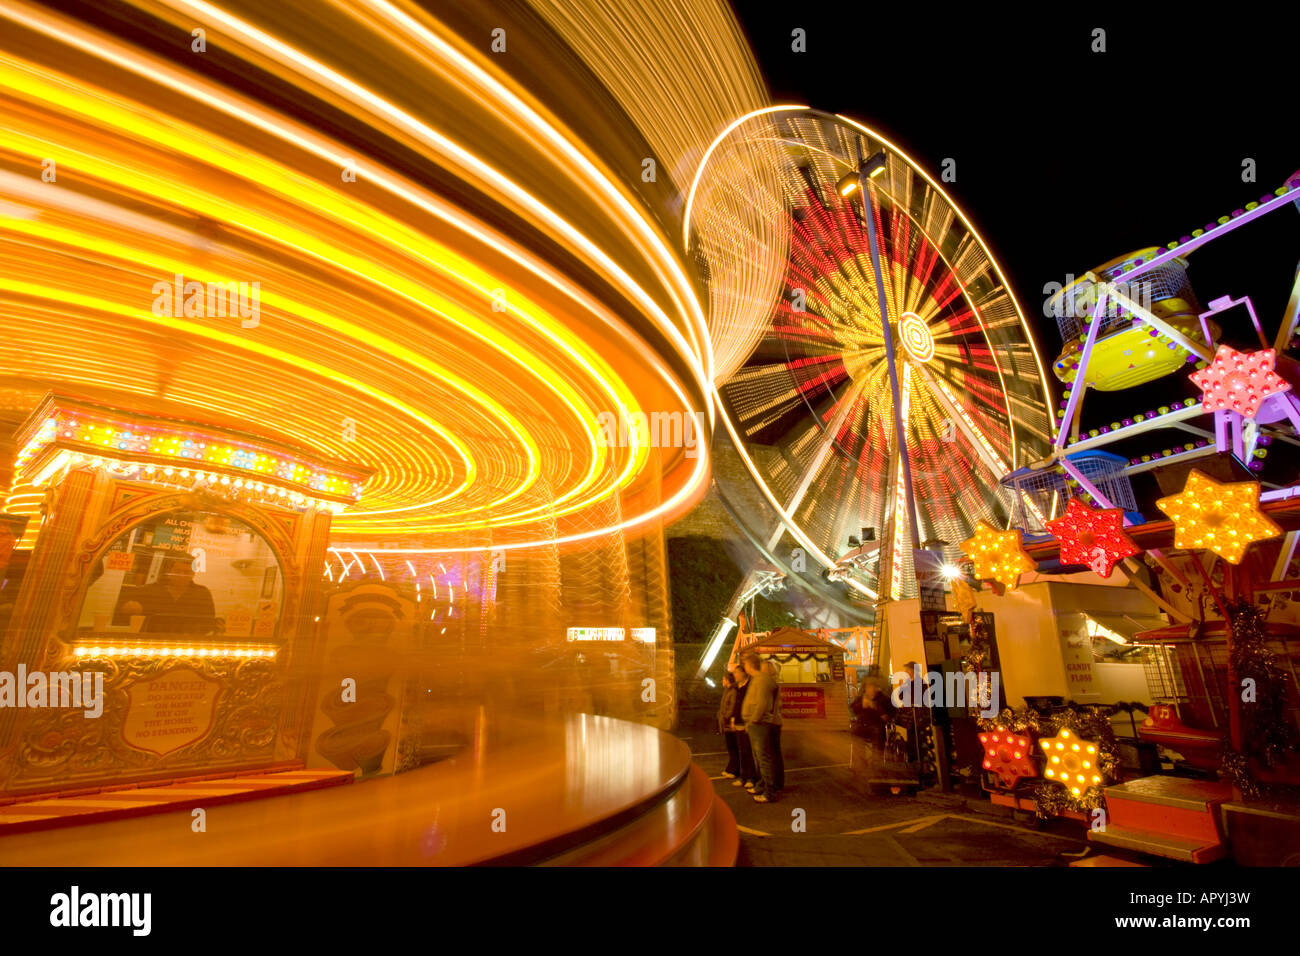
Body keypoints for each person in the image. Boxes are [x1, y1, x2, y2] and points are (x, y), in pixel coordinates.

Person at [116, 556, 216, 634]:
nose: (181, 575)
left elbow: (208, 624)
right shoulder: (150, 590)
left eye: (186, 572)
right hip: (152, 644)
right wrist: (128, 608)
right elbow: (121, 612)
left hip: (186, 646)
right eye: (177, 571)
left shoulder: (202, 593)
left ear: (193, 573)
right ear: (169, 571)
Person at [740, 651, 783, 803]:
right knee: (759, 757)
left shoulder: (761, 680)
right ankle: (762, 785)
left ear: (751, 665)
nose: (743, 666)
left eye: (745, 663)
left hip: (759, 724)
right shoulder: (757, 679)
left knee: (763, 758)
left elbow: (762, 704)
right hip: (755, 724)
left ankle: (769, 792)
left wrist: (753, 720)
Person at [728, 663, 758, 791]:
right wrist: (733, 719)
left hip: (747, 722)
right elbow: (737, 705)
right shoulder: (737, 687)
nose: (734, 675)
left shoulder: (749, 687)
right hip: (739, 721)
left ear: (743, 673)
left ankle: (751, 778)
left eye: (736, 672)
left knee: (748, 750)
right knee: (741, 750)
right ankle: (743, 776)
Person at [763, 659, 784, 792]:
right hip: (776, 721)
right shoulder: (775, 683)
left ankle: (775, 782)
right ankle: (778, 781)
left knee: (772, 754)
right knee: (775, 753)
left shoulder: (771, 685)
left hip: (772, 722)